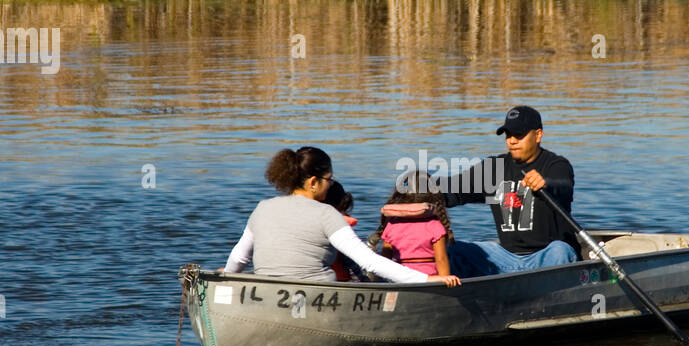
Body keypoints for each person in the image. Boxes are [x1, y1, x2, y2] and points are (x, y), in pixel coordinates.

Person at [223, 146, 461, 286]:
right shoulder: (327, 214)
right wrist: (428, 280)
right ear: (314, 182)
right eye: (329, 180)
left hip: (270, 290)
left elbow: (238, 260)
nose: (331, 186)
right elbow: (370, 262)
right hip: (318, 294)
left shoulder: (262, 207)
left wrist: (225, 281)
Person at [437, 105, 579, 277]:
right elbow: (452, 190)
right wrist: (416, 187)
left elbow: (563, 185)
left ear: (538, 135)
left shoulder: (556, 165)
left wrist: (546, 183)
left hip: (546, 257)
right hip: (506, 258)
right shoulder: (494, 168)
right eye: (508, 135)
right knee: (452, 249)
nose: (512, 141)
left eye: (519, 135)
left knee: (560, 250)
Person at [376, 173, 456, 278]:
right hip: (428, 279)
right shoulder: (435, 226)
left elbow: (386, 259)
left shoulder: (391, 224)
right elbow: (441, 259)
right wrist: (446, 280)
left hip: (400, 279)